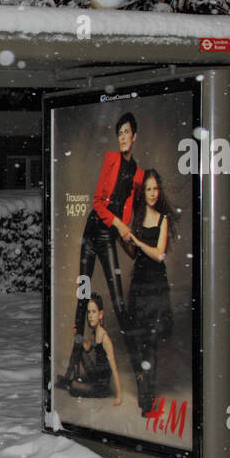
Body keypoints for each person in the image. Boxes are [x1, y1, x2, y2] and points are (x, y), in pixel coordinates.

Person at [59, 112, 144, 389]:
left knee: (119, 305)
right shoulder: (111, 160)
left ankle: (141, 375)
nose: (122, 137)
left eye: (126, 132)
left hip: (108, 237)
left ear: (135, 137)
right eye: (119, 132)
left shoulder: (138, 174)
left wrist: (128, 236)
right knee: (82, 299)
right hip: (91, 233)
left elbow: (128, 216)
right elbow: (97, 202)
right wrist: (119, 223)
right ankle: (72, 371)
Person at [125, 169, 175, 416]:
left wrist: (139, 242)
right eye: (149, 189)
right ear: (142, 192)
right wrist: (126, 239)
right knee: (137, 341)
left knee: (151, 343)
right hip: (139, 286)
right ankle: (143, 388)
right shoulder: (137, 216)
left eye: (156, 188)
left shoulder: (163, 218)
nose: (153, 193)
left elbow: (159, 254)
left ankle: (148, 398)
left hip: (156, 285)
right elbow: (134, 255)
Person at [58, 292, 124, 405]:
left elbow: (114, 369)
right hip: (95, 375)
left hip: (101, 385)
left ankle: (70, 383)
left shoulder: (104, 338)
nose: (90, 315)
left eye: (94, 312)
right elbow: (86, 348)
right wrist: (77, 335)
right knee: (79, 346)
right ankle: (69, 379)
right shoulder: (94, 333)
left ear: (101, 314)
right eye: (88, 312)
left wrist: (119, 397)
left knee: (74, 386)